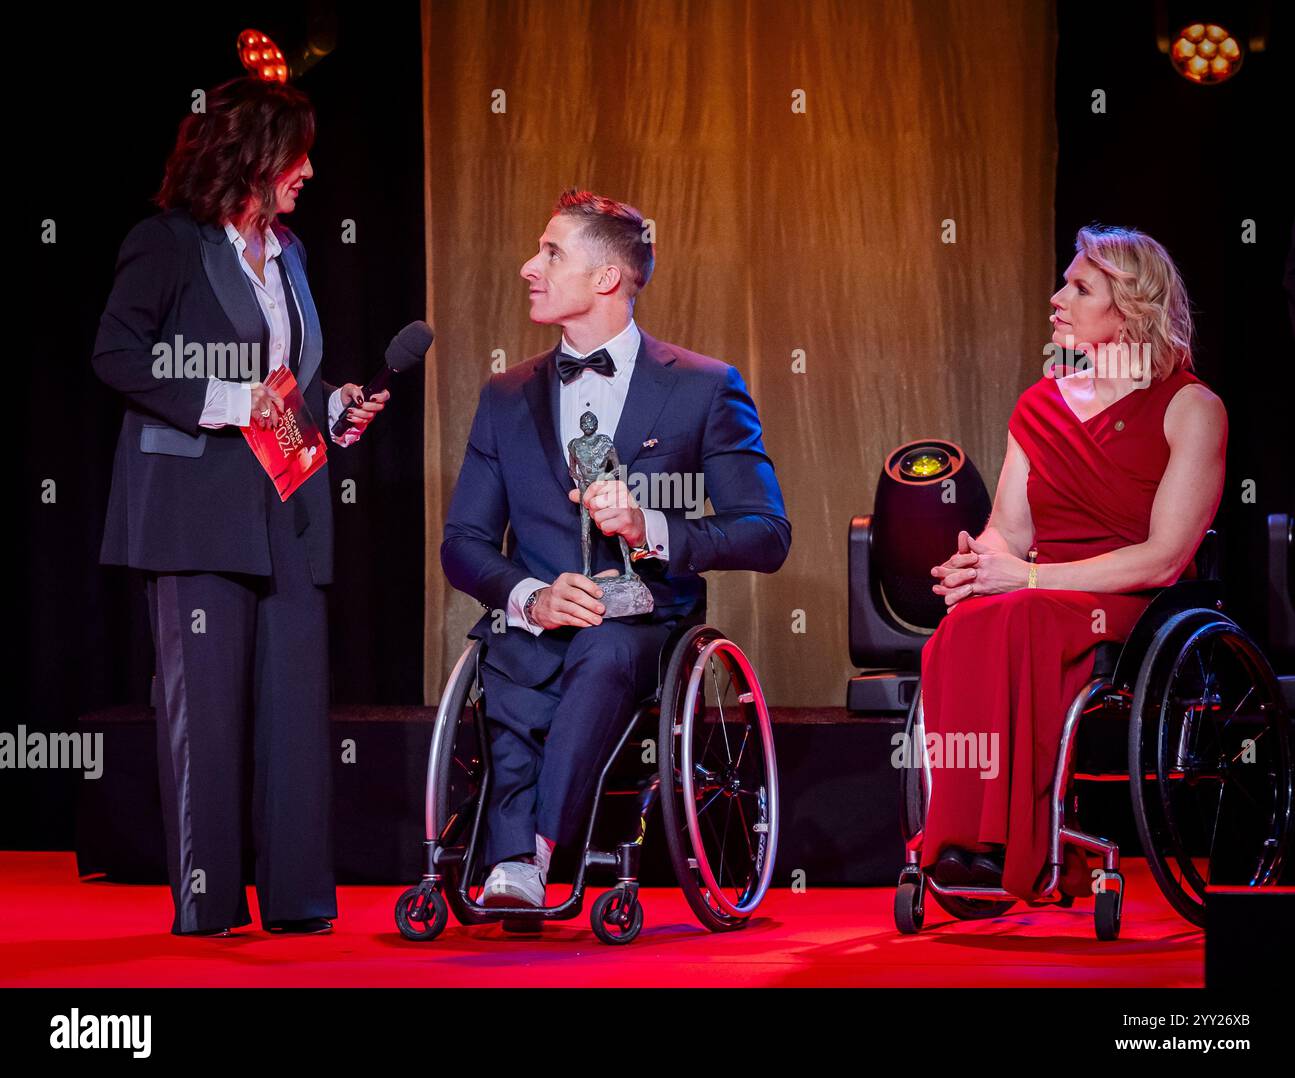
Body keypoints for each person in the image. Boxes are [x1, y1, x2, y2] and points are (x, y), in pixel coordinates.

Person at [93, 77, 390, 936]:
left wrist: (332, 409)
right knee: (207, 718)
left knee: (296, 707)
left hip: (287, 501)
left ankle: (298, 902)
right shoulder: (168, 243)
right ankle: (207, 902)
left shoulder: (290, 252)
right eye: (296, 153)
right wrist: (227, 400)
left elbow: (289, 378)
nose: (309, 171)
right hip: (194, 507)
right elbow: (116, 354)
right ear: (253, 157)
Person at [441, 188, 790, 908]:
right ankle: (508, 857)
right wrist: (529, 596)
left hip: (641, 626)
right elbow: (463, 542)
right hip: (534, 622)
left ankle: (531, 856)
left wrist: (651, 528)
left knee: (602, 650)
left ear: (606, 278)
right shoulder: (505, 396)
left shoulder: (703, 387)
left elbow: (766, 532)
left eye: (550, 252)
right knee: (513, 652)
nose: (527, 268)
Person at [920, 225, 1227, 900]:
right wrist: (978, 565)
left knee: (1021, 616)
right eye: (1065, 281)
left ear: (1131, 310)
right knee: (962, 627)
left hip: (1129, 600)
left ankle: (1007, 846)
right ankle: (962, 840)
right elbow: (1006, 532)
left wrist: (1025, 578)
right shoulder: (1040, 404)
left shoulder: (1190, 408)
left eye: (1080, 288)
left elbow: (1165, 558)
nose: (1057, 297)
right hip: (1038, 589)